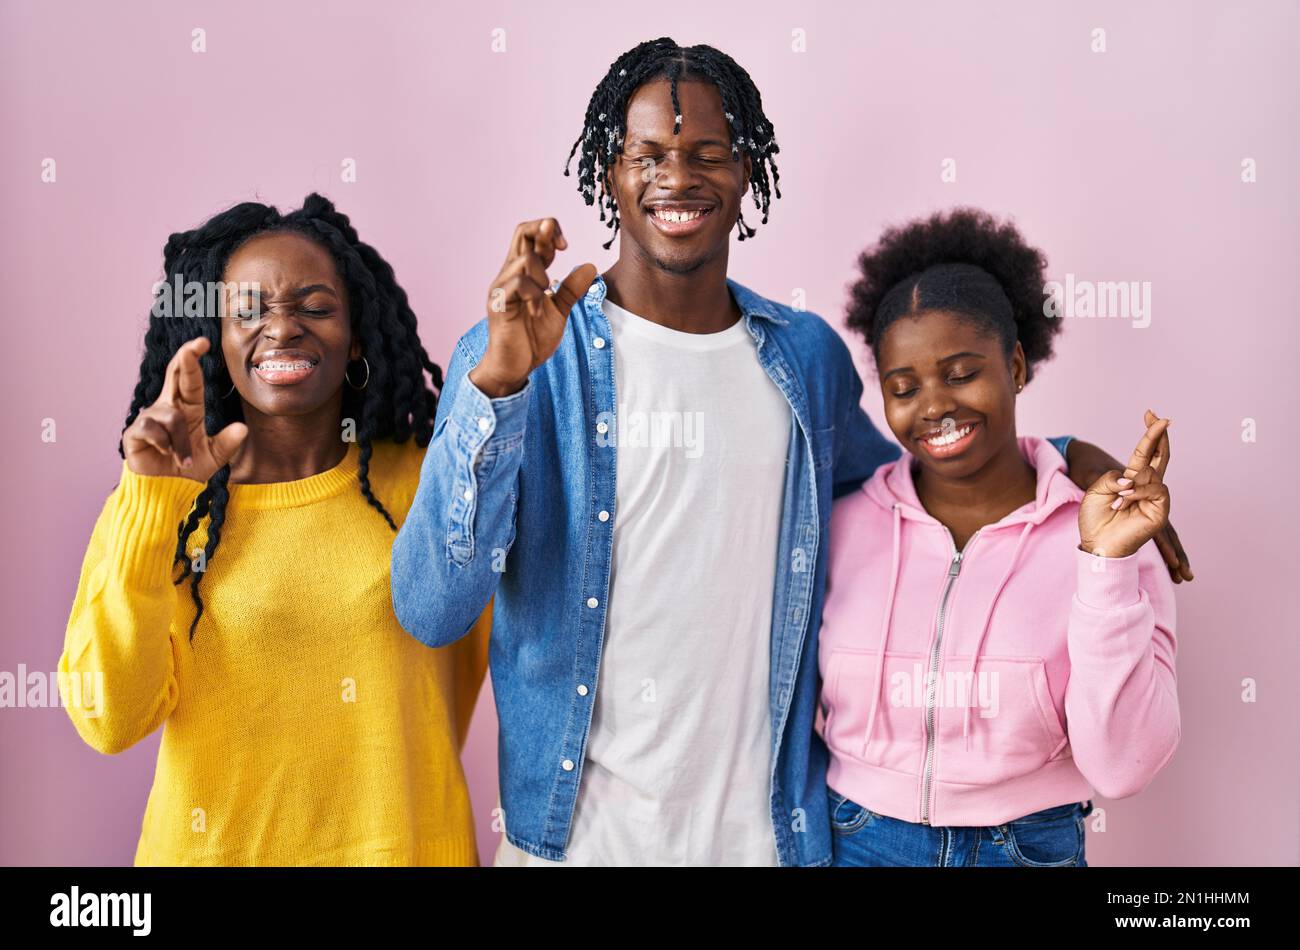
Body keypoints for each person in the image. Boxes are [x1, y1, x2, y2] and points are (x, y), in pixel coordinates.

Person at [392, 39, 1190, 866]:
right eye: (648, 155)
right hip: (577, 842)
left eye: (708, 153)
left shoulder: (802, 358)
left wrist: (1064, 459)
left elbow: (908, 478)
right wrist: (496, 388)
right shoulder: (522, 357)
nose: (677, 177)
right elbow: (431, 607)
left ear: (747, 172)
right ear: (608, 171)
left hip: (769, 839)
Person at [59, 194, 490, 865]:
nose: (281, 329)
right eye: (249, 312)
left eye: (315, 307)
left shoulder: (429, 487)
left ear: (357, 338)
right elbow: (110, 720)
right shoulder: (154, 504)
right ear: (215, 340)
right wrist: (152, 500)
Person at [820, 208, 1180, 866]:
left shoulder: (1107, 536)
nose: (932, 406)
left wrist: (1104, 566)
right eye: (904, 388)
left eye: (961, 374)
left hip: (1026, 846)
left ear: (1015, 364)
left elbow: (1124, 768)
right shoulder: (840, 526)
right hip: (854, 840)